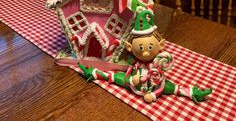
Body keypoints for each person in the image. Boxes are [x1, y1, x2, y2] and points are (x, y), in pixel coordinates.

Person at [79, 9, 212, 103]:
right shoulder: (134, 62)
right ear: (130, 47)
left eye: (149, 48)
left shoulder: (158, 64)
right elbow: (126, 77)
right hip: (134, 84)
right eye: (141, 48)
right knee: (115, 77)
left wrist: (153, 95)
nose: (146, 53)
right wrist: (132, 80)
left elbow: (161, 84)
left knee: (172, 88)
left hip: (152, 88)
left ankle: (193, 93)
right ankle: (94, 73)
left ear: (161, 45)